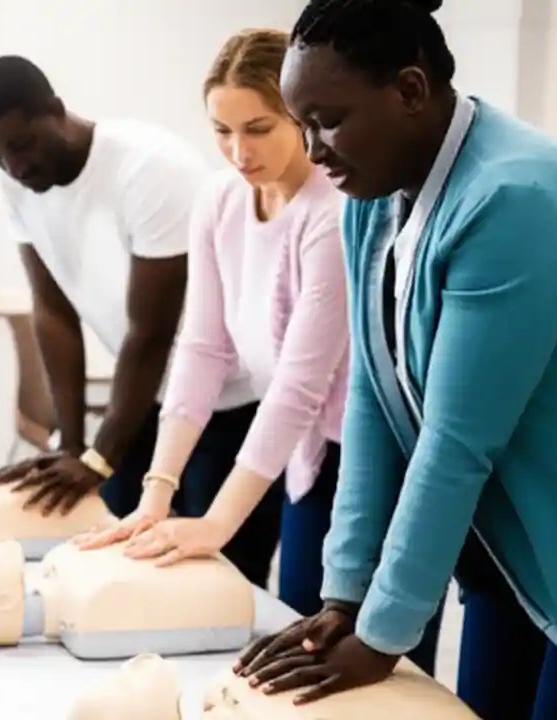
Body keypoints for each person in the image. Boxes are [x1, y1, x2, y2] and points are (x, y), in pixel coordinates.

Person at [235, 1, 557, 718]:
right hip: (506, 551)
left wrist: (384, 632)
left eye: (328, 120)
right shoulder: (373, 192)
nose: (314, 147)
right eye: (303, 124)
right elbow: (373, 391)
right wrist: (347, 595)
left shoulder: (517, 196)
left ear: (412, 90)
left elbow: (455, 440)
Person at [0, 55, 280, 589]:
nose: (12, 167)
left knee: (217, 580)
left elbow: (151, 332)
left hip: (235, 401)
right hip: (156, 397)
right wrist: (71, 445)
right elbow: (52, 311)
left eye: (20, 146)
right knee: (109, 547)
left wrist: (99, 455)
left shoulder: (149, 169)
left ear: (57, 111)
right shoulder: (16, 180)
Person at [73, 27, 351, 617]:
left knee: (327, 630)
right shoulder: (221, 200)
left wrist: (217, 523)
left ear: (301, 117)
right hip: (302, 448)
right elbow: (201, 348)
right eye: (222, 131)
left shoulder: (332, 216)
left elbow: (299, 389)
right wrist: (157, 493)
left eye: (258, 129)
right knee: (296, 622)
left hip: (358, 454)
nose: (238, 152)